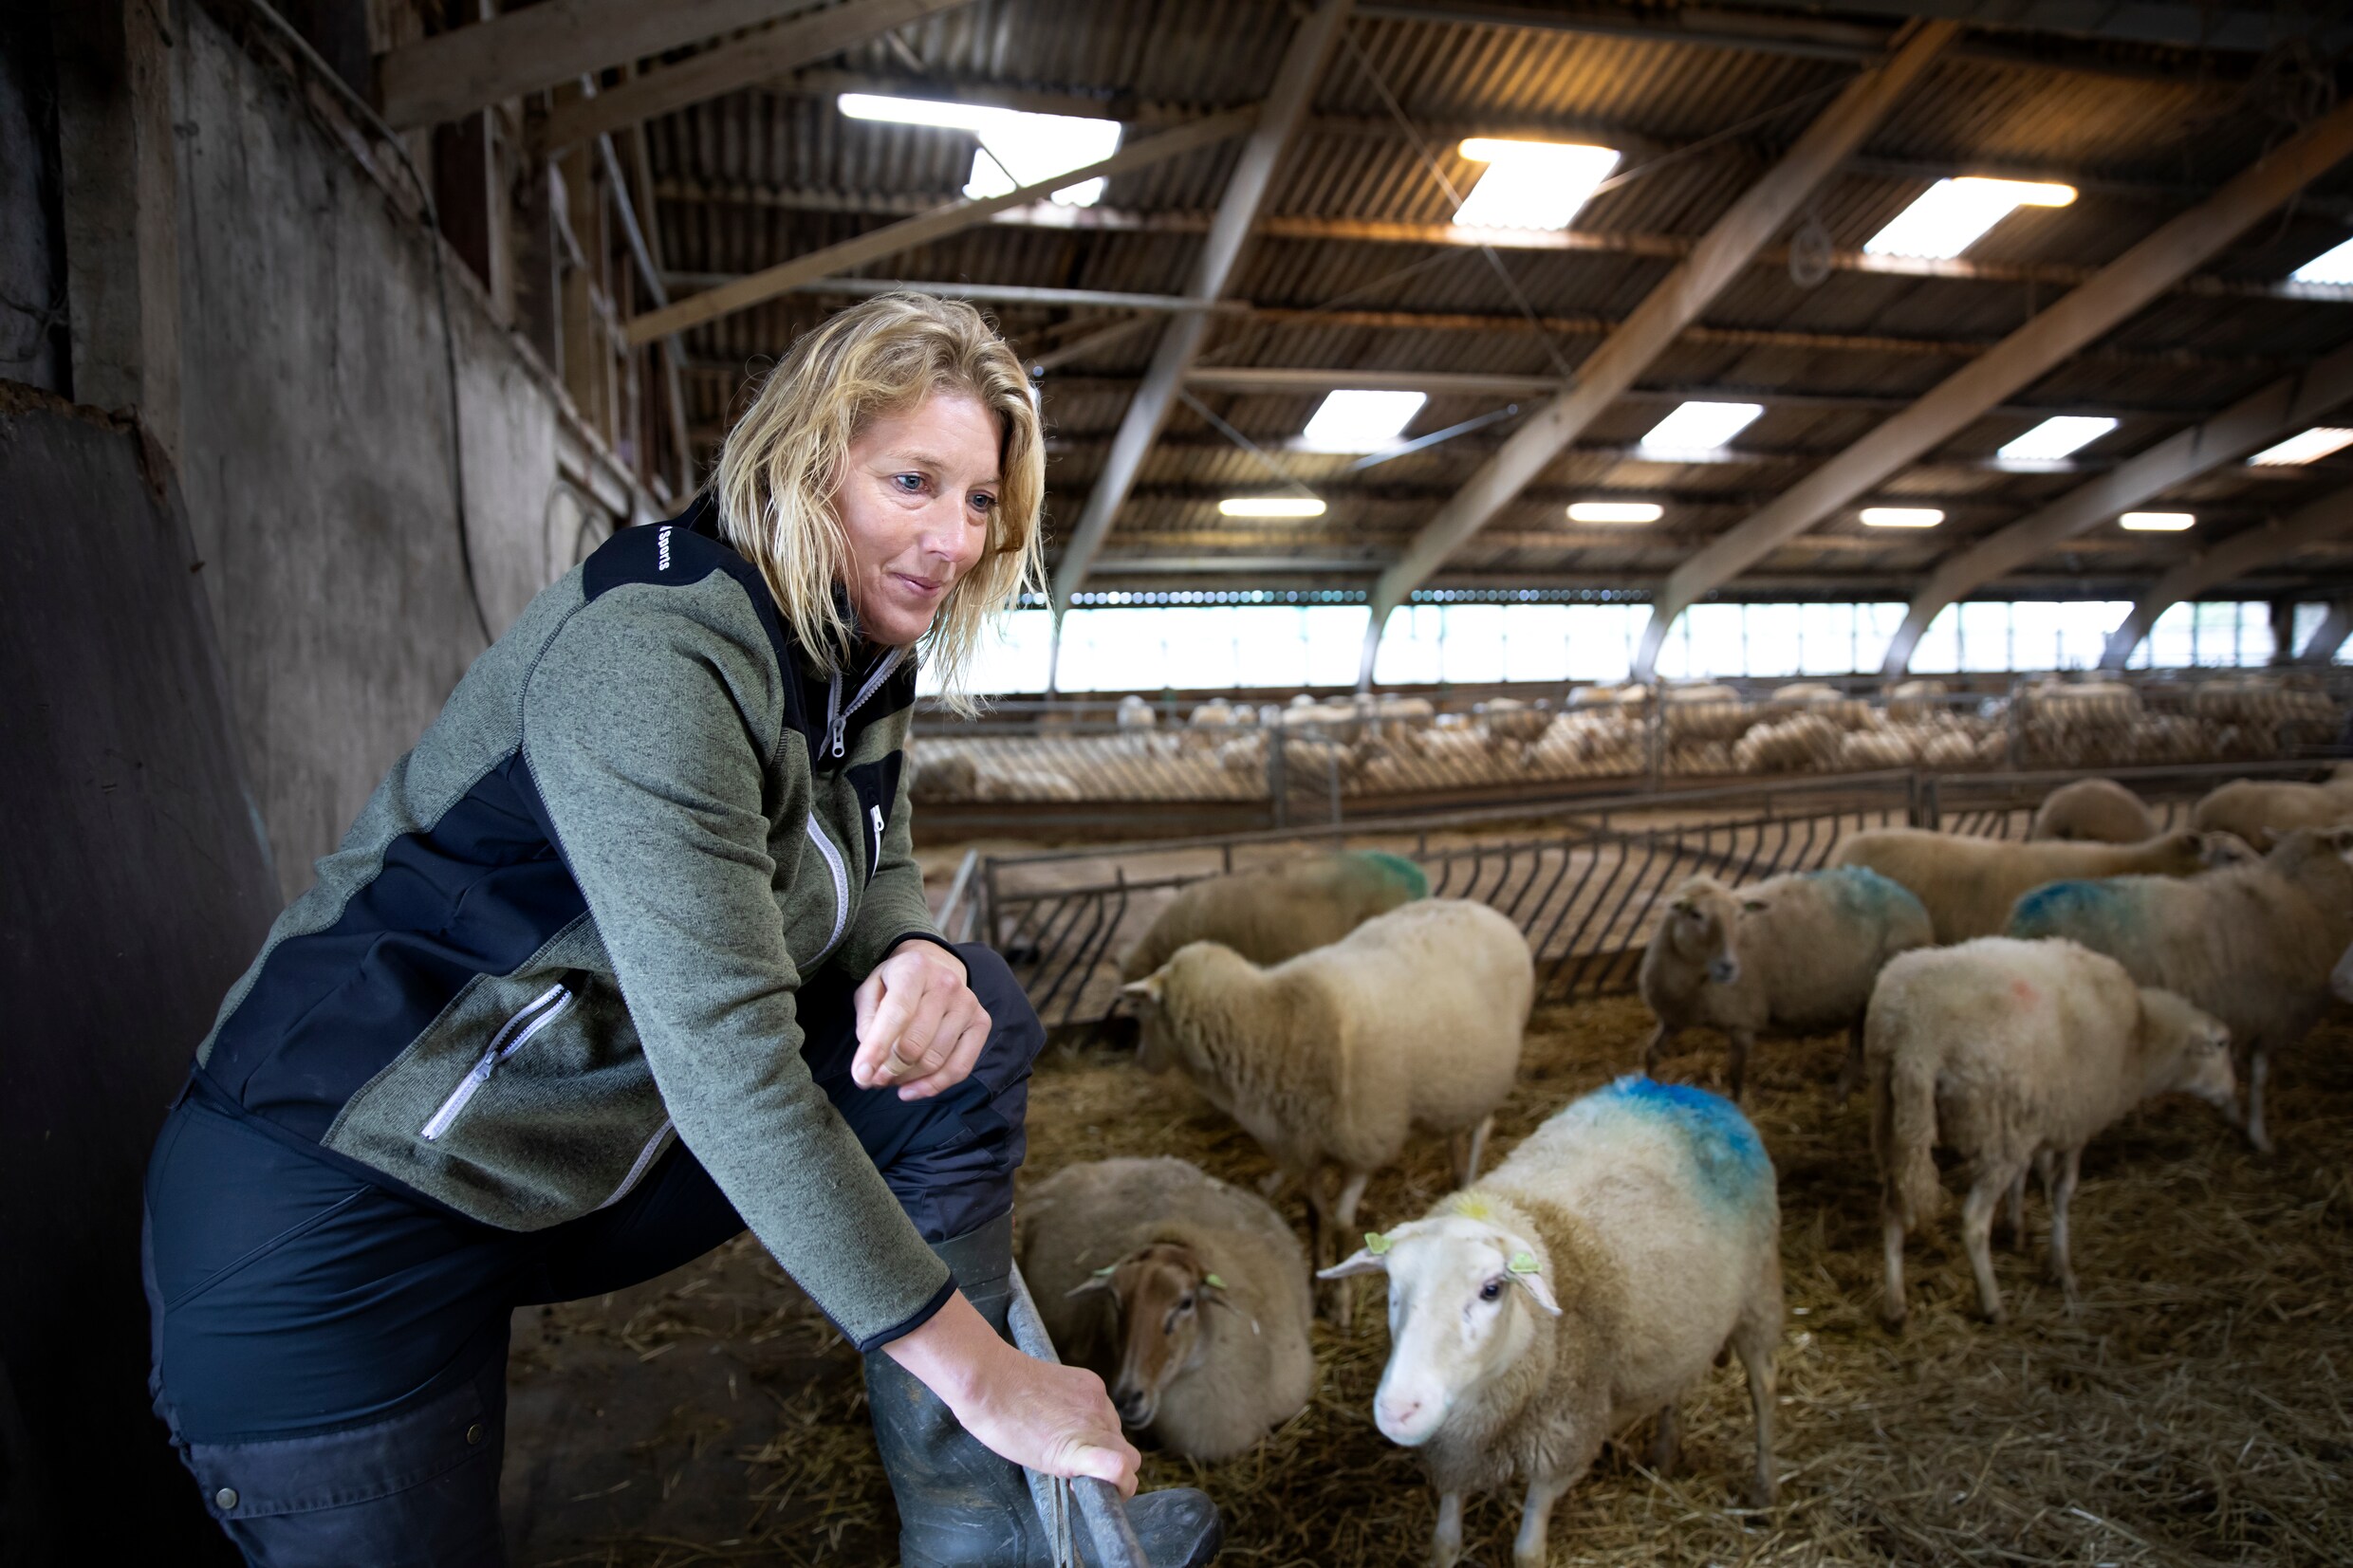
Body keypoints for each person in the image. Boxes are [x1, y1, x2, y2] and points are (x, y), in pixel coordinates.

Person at [140, 293, 1222, 1567]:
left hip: (561, 1153)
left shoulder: (857, 650)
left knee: (973, 1018)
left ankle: (970, 1530)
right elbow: (733, 1072)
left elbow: (876, 856)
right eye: (913, 481)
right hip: (340, 1211)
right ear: (808, 464)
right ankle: (984, 1437)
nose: (951, 538)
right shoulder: (656, 661)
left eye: (980, 501)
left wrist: (915, 948)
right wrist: (989, 1374)